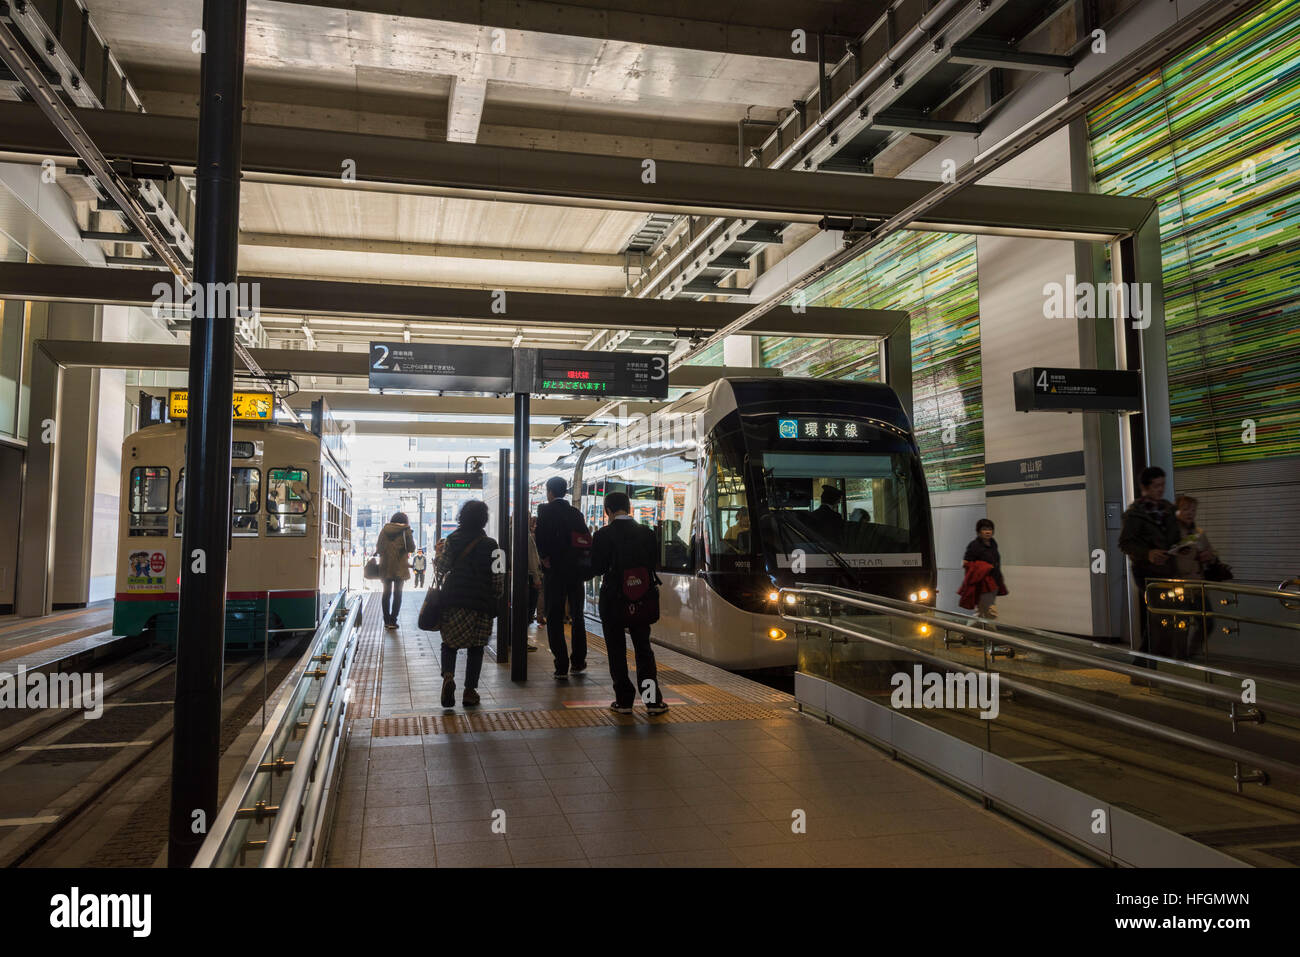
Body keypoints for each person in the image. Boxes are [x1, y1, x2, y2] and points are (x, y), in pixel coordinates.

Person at [587, 491, 668, 716]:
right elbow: (654, 563)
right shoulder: (647, 533)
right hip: (641, 598)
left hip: (613, 600)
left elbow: (597, 568)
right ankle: (652, 702)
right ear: (629, 507)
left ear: (608, 511)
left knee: (616, 651)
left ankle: (623, 701)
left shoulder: (603, 535)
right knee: (643, 650)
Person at [434, 500, 503, 708]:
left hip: (454, 599)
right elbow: (498, 578)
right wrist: (495, 598)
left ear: (461, 517)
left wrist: (438, 555)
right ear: (483, 520)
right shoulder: (493, 545)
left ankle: (448, 677)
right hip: (480, 603)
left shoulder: (452, 540)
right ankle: (470, 692)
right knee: (476, 647)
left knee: (450, 644)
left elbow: (441, 569)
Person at [1119, 466, 1182, 664]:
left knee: (1163, 616)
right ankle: (1147, 664)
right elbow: (1125, 543)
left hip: (1168, 569)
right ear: (1144, 487)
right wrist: (1148, 553)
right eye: (1157, 485)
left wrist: (1182, 547)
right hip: (1146, 571)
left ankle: (1154, 663)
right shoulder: (1135, 514)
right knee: (1158, 615)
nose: (1161, 489)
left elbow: (1175, 537)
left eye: (1163, 485)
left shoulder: (1169, 510)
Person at [535, 476, 590, 679]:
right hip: (576, 572)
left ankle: (561, 664)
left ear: (550, 492)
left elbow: (540, 537)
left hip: (555, 571)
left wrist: (545, 558)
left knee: (555, 617)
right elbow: (584, 538)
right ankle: (578, 661)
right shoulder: (575, 513)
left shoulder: (545, 511)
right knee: (577, 616)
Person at [1171, 494, 1218, 659]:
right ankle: (1180, 659)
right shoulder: (1172, 533)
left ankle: (1191, 653)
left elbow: (1211, 554)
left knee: (1207, 622)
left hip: (1198, 585)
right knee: (1181, 625)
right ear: (1176, 511)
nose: (1190, 513)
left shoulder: (1199, 533)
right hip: (1179, 586)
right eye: (1185, 509)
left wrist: (1209, 556)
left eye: (1193, 509)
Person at [961, 519, 1007, 619]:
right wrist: (983, 567)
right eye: (984, 529)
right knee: (990, 611)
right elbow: (966, 563)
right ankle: (989, 633)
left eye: (990, 529)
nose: (987, 531)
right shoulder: (974, 546)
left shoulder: (993, 543)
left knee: (981, 612)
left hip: (994, 583)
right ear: (978, 531)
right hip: (983, 584)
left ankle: (968, 633)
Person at [376, 511, 415, 630]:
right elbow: (411, 548)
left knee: (386, 593)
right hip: (400, 568)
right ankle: (393, 621)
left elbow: (379, 548)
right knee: (398, 594)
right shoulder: (406, 530)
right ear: (405, 521)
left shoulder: (384, 530)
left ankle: (386, 620)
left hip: (386, 567)